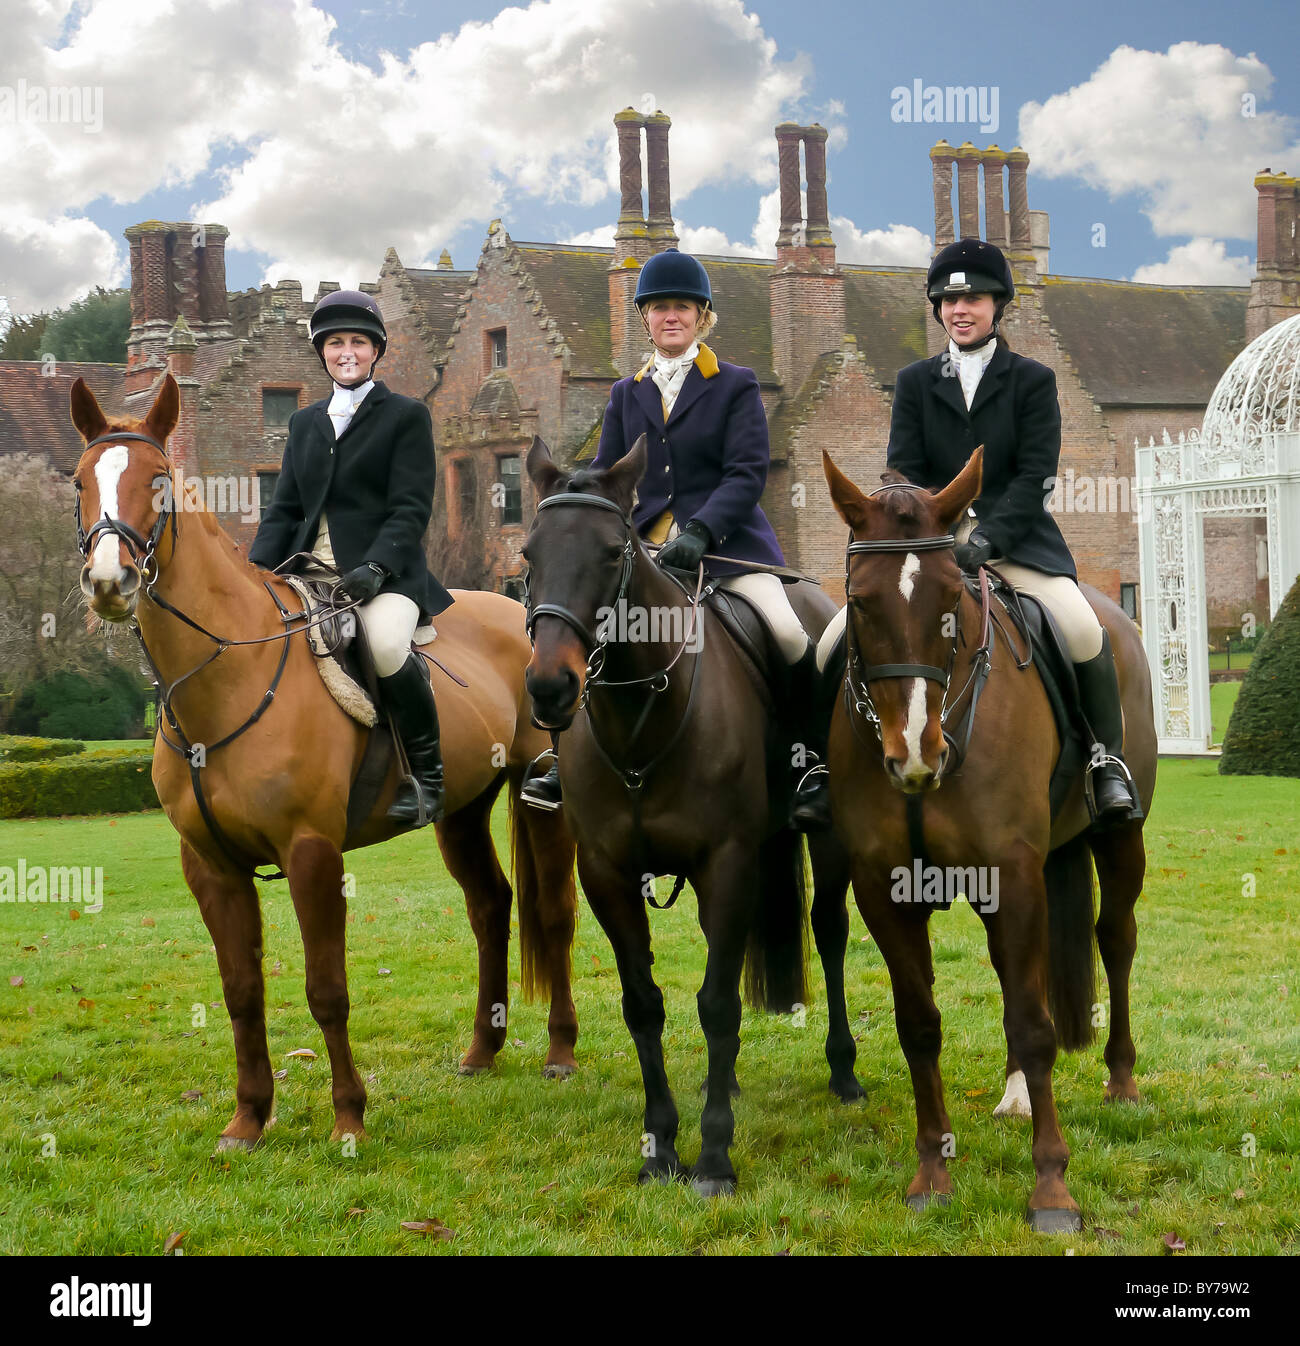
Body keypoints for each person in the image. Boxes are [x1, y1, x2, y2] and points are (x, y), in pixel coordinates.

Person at [818, 237, 1142, 825]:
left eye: (973, 300)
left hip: (1017, 545)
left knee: (1083, 630)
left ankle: (1103, 761)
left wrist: (989, 538)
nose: (959, 310)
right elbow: (902, 467)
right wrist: (914, 517)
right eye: (947, 301)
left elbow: (1037, 475)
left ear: (998, 307)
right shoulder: (915, 380)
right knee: (831, 642)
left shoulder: (1033, 380)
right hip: (930, 546)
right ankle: (818, 765)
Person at [521, 248, 830, 828]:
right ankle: (565, 758)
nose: (670, 318)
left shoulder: (735, 384)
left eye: (682, 309)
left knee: (791, 635)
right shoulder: (625, 393)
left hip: (727, 551)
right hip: (642, 556)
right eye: (659, 308)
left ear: (702, 316)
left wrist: (702, 529)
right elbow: (609, 474)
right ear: (644, 317)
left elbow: (747, 474)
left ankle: (809, 763)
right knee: (576, 627)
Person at [248, 289, 453, 827]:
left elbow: (411, 508)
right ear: (322, 352)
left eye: (357, 342)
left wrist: (378, 568)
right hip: (309, 572)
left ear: (375, 350)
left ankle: (428, 779)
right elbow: (285, 506)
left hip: (384, 576)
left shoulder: (406, 416)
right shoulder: (304, 423)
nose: (347, 352)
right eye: (336, 343)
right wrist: (254, 574)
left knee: (384, 646)